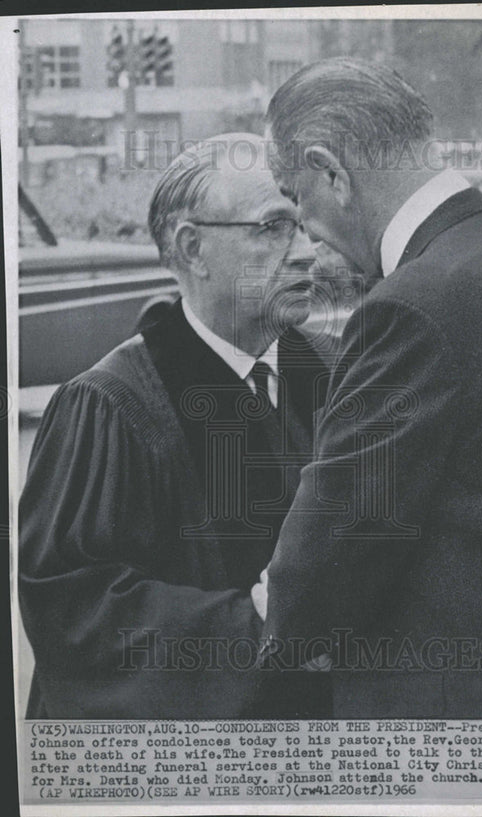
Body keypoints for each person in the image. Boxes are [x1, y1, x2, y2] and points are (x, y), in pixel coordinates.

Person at [256, 58, 482, 718]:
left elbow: (332, 552)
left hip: (445, 713)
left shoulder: (411, 305)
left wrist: (275, 608)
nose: (304, 230)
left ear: (331, 172)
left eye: (296, 197)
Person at [19, 133, 330, 719]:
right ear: (193, 249)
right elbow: (76, 612)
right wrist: (261, 621)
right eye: (274, 227)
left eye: (305, 225)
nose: (306, 252)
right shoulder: (109, 406)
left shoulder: (336, 373)